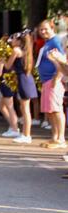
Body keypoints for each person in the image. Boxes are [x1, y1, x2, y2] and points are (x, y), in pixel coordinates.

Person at [36, 19, 66, 149]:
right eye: (41, 29)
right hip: (46, 81)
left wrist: (57, 78)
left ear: (52, 28)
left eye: (45, 29)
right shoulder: (48, 42)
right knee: (50, 111)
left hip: (53, 80)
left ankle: (61, 138)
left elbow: (62, 61)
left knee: (57, 109)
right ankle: (54, 136)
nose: (43, 32)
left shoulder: (55, 41)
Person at [5, 32, 37, 144]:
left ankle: (26, 135)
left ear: (19, 41)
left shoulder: (16, 50)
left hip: (23, 80)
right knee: (25, 108)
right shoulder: (26, 51)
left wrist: (2, 59)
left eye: (13, 38)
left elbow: (8, 66)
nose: (11, 40)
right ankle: (25, 133)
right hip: (27, 79)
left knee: (25, 109)